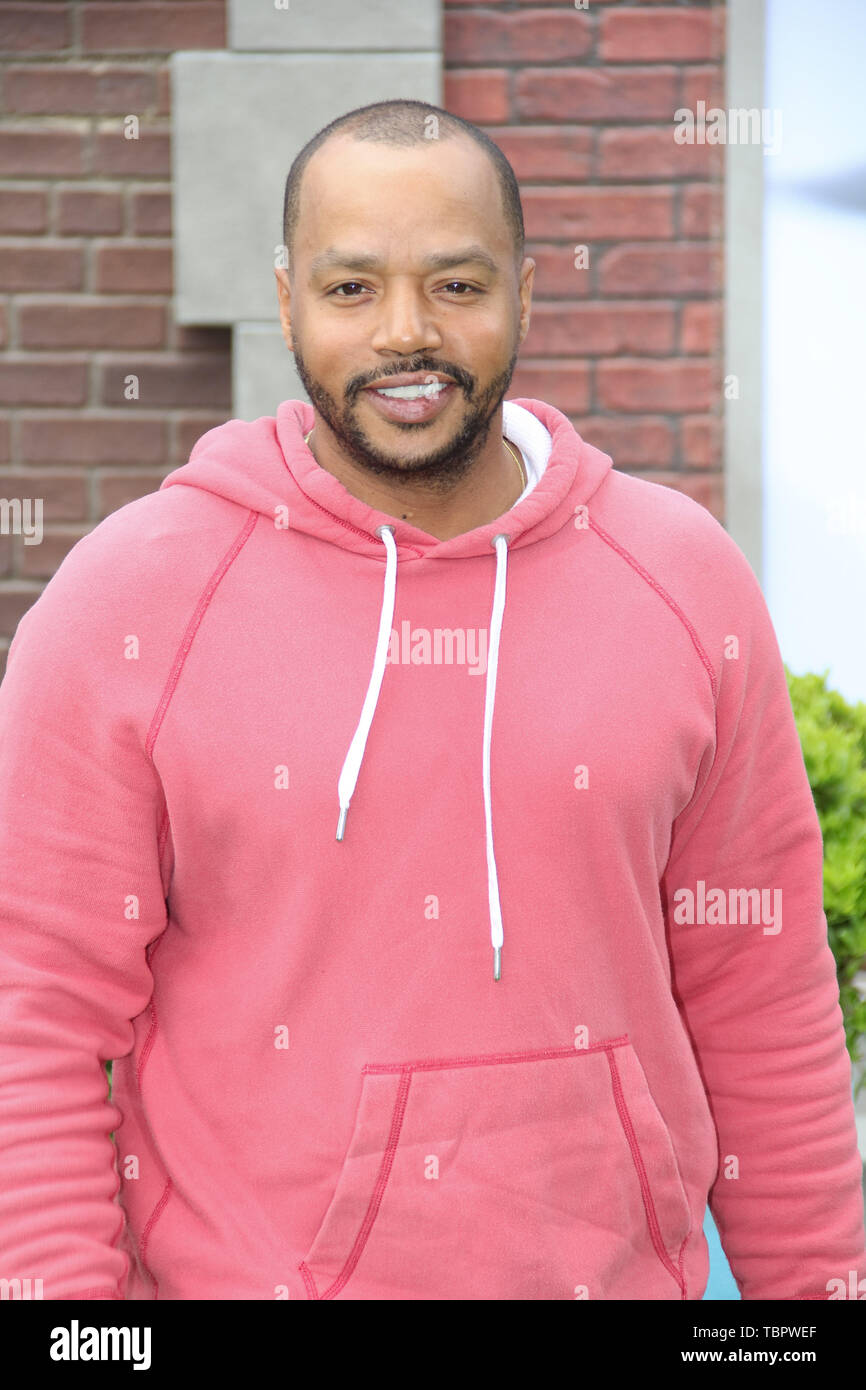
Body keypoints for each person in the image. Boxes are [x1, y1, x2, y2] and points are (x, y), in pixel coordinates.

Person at [0, 98, 863, 1303]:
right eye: (352, 289)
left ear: (523, 291)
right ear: (288, 295)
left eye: (455, 285)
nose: (405, 333)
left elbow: (760, 995)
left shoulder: (678, 577)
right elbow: (30, 1025)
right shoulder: (129, 601)